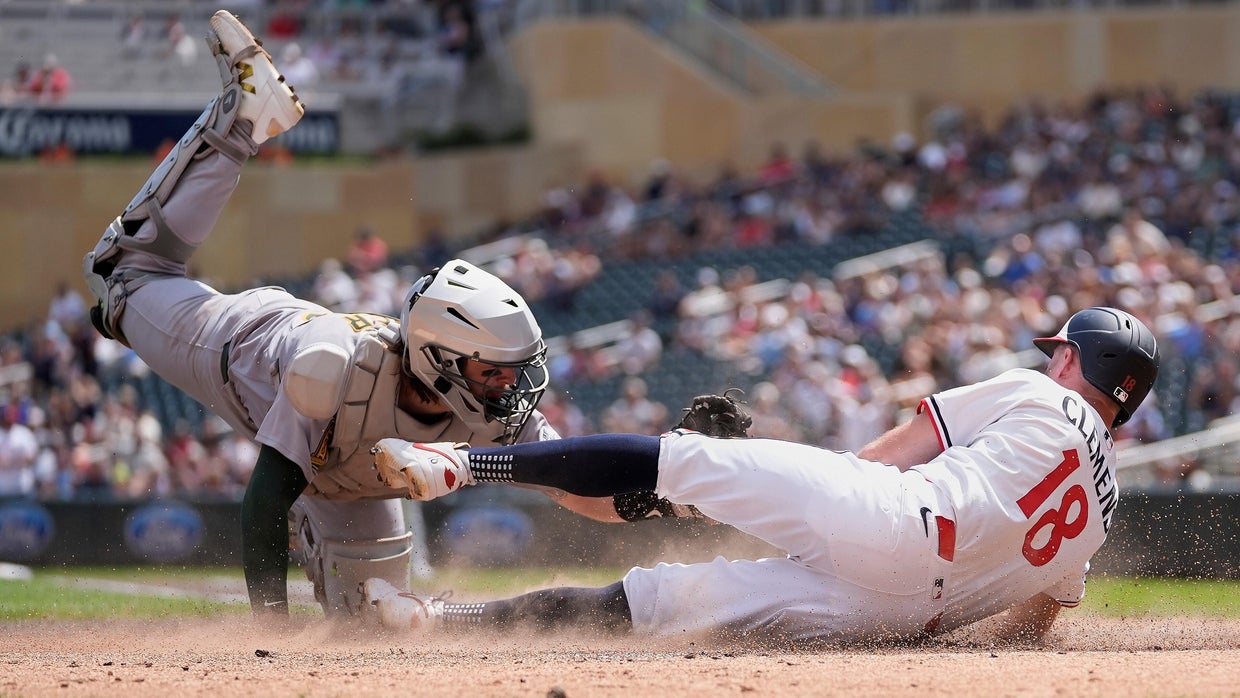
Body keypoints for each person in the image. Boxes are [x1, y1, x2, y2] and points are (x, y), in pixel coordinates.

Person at [80, 10, 610, 620]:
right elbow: (264, 500)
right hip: (238, 350)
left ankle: (128, 316)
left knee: (373, 626)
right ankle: (244, 117)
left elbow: (579, 483)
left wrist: (675, 486)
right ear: (439, 359)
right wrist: (269, 635)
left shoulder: (494, 411)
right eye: (494, 371)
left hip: (344, 474)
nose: (511, 386)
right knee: (121, 275)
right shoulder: (331, 370)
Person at [363, 307, 1159, 646]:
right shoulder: (1103, 507)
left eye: (1061, 349)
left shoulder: (1034, 394)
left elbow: (902, 449)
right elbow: (1033, 622)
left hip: (894, 520)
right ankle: (439, 622)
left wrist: (777, 485)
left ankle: (458, 463)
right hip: (901, 616)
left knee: (685, 456)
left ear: (1077, 359)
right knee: (658, 603)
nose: (1050, 356)